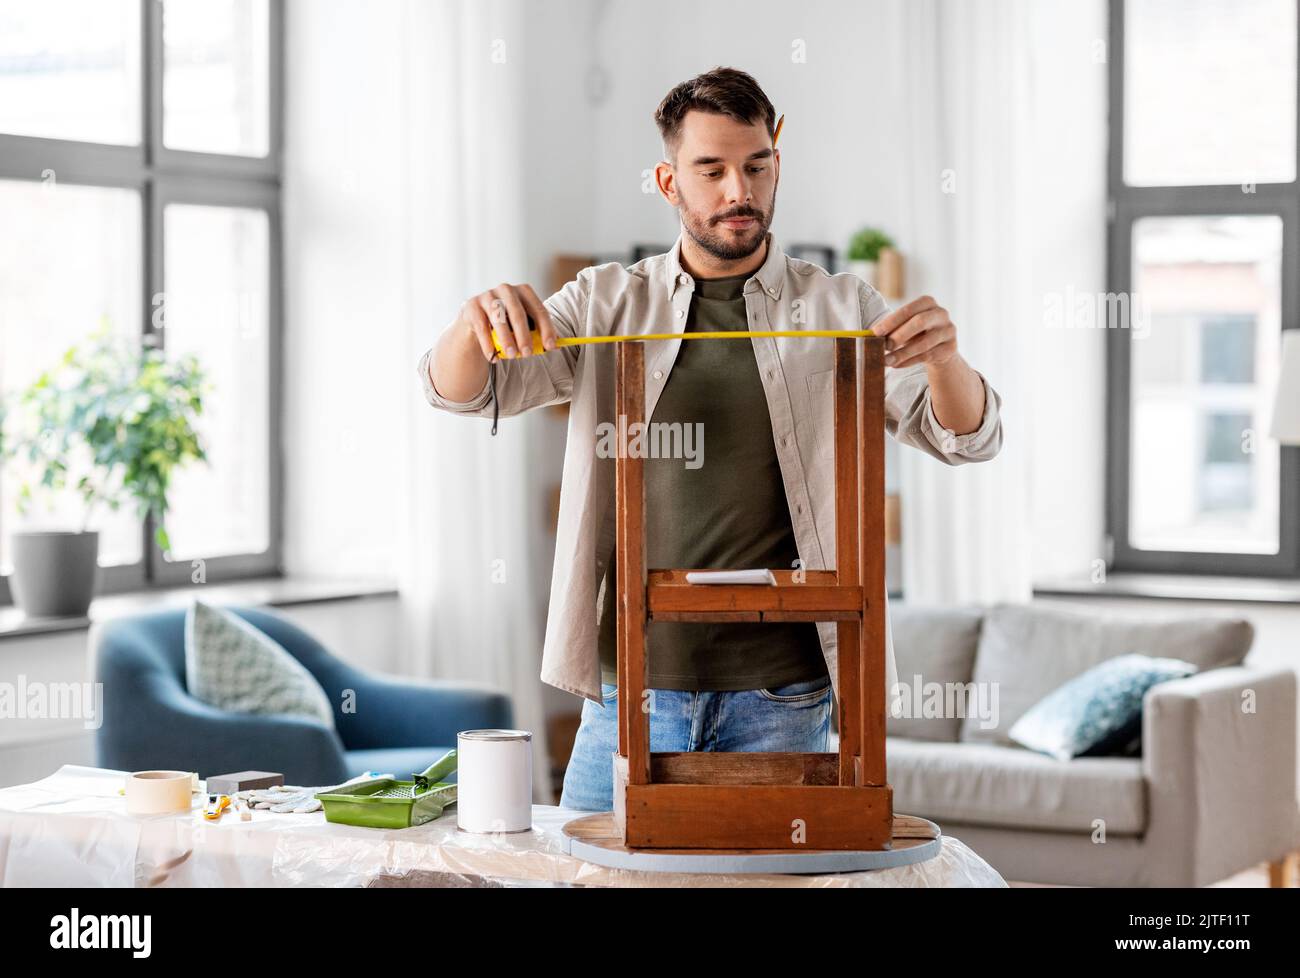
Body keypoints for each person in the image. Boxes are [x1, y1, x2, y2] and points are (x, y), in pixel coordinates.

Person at [417, 66, 1003, 811]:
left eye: (757, 166)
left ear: (777, 163)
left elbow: (969, 437)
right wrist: (473, 325)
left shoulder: (840, 305)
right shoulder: (605, 301)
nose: (740, 192)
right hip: (624, 695)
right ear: (668, 181)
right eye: (713, 170)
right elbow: (461, 391)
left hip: (780, 702)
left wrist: (947, 360)